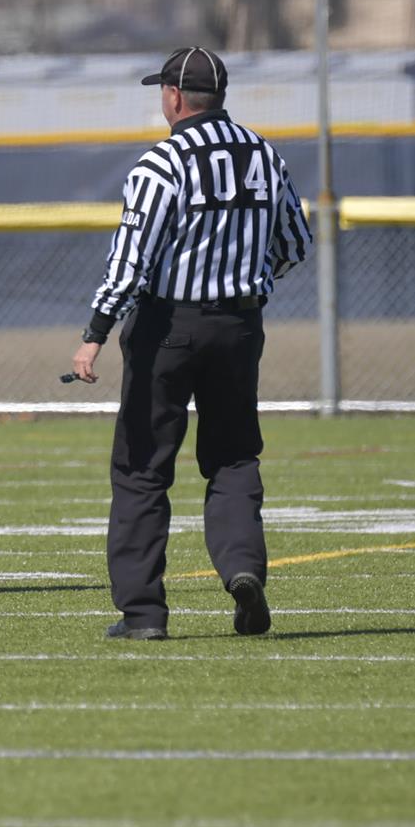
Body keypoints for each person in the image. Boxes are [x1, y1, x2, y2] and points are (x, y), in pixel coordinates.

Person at [69, 47, 312, 640]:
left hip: (167, 327)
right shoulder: (264, 154)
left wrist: (95, 334)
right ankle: (242, 570)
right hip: (240, 326)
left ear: (174, 98)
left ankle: (144, 614)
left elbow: (131, 261)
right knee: (232, 457)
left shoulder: (162, 163)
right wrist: (243, 283)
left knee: (141, 469)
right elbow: (295, 243)